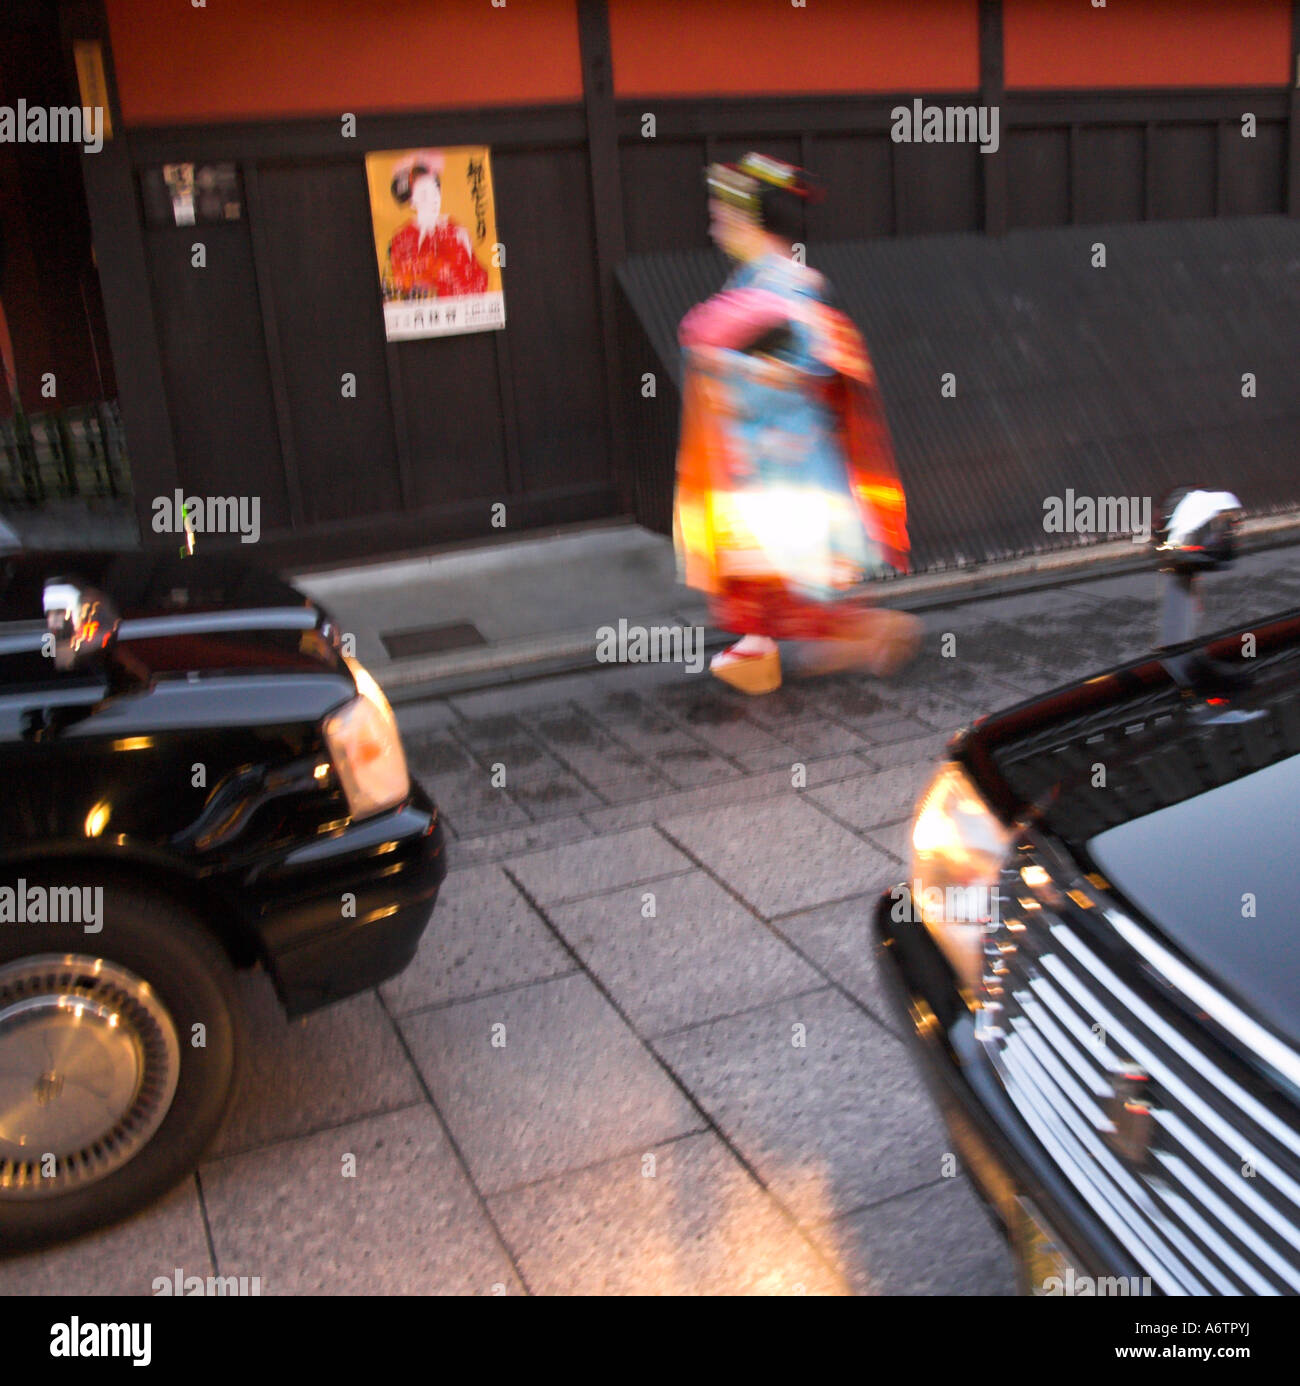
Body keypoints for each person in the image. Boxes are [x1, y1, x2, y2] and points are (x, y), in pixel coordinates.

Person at [673, 152, 920, 694]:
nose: (715, 225)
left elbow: (800, 360)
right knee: (761, 577)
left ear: (748, 222)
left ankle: (874, 634)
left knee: (789, 577)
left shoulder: (782, 290)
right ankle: (758, 650)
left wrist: (726, 357)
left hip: (782, 463)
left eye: (722, 215)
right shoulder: (769, 285)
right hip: (768, 456)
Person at [386, 151, 488, 298]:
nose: (433, 199)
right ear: (412, 202)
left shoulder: (455, 230)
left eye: (436, 190)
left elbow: (476, 277)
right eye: (424, 193)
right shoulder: (403, 237)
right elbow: (401, 282)